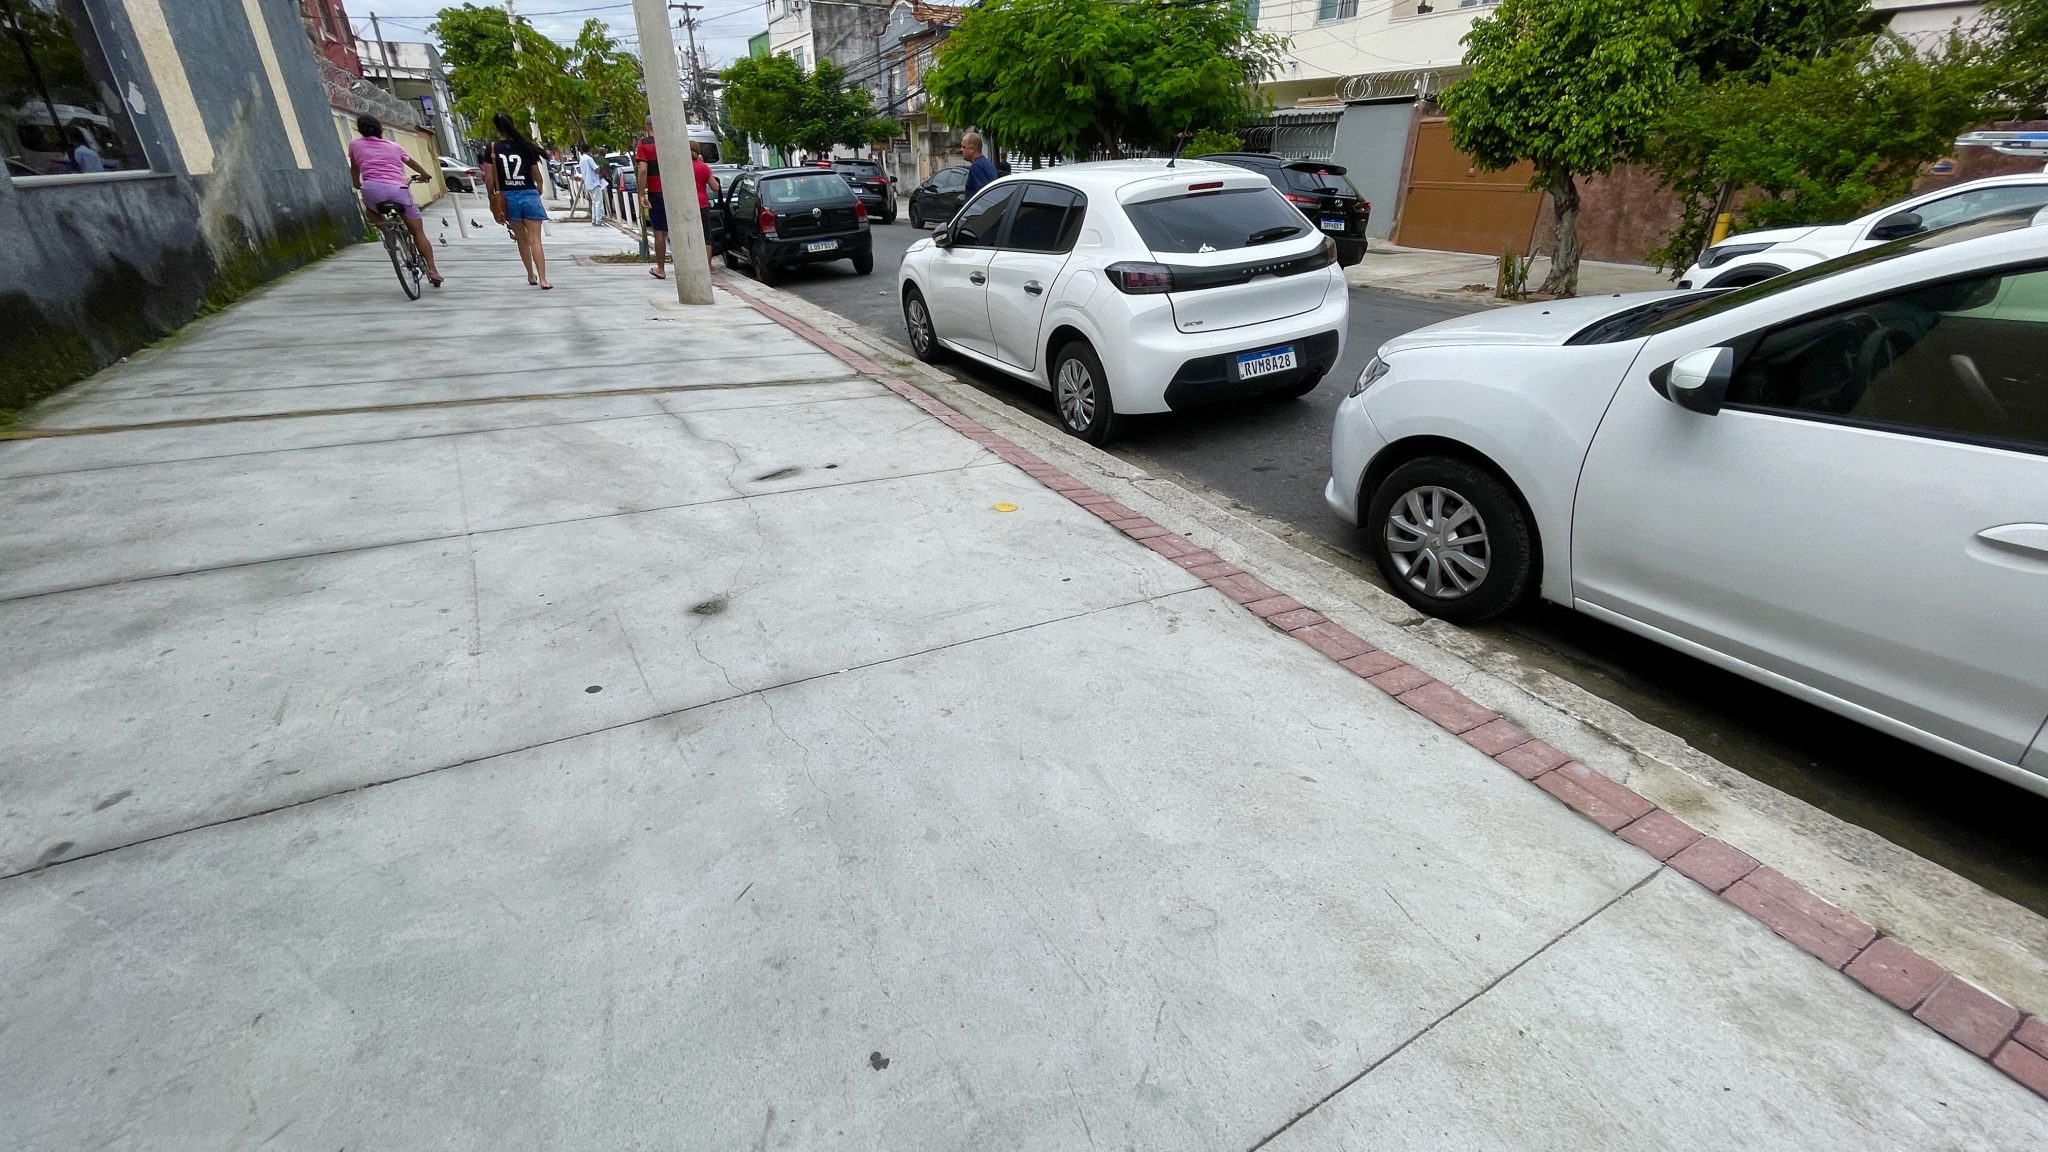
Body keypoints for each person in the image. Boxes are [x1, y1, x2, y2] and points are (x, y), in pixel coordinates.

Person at [347, 114, 443, 287]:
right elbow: (412, 163)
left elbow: (354, 168)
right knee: (418, 232)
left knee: (370, 211)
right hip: (398, 190)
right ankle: (433, 270)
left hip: (372, 190)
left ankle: (387, 232)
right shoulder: (394, 147)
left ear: (359, 129)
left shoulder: (355, 145)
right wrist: (424, 174)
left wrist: (357, 184)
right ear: (381, 129)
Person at [483, 112, 550, 289]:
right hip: (529, 195)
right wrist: (539, 188)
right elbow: (538, 177)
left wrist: (491, 197)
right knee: (536, 240)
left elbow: (489, 178)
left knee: (522, 239)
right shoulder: (526, 147)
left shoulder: (492, 149)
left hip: (508, 197)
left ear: (497, 128)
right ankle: (543, 279)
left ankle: (531, 275)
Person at [634, 117, 669, 280]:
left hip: (657, 191)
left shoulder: (644, 144)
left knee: (659, 232)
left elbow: (643, 169)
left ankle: (661, 268)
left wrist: (641, 194)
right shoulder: (669, 141)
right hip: (675, 191)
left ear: (646, 127)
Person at [690, 139, 717, 278]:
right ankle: (707, 265)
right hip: (702, 204)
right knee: (706, 235)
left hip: (687, 205)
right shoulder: (703, 167)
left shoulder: (681, 167)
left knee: (690, 235)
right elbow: (715, 187)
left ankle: (692, 263)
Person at [961, 131, 1000, 198]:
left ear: (972, 149)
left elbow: (982, 196)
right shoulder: (988, 163)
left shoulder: (976, 167)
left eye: (964, 147)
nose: (961, 149)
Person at [577, 145, 607, 227]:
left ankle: (594, 220)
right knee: (598, 202)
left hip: (588, 183)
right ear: (589, 150)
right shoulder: (589, 159)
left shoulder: (582, 160)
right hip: (594, 182)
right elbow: (596, 170)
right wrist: (599, 167)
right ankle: (599, 220)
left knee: (594, 203)